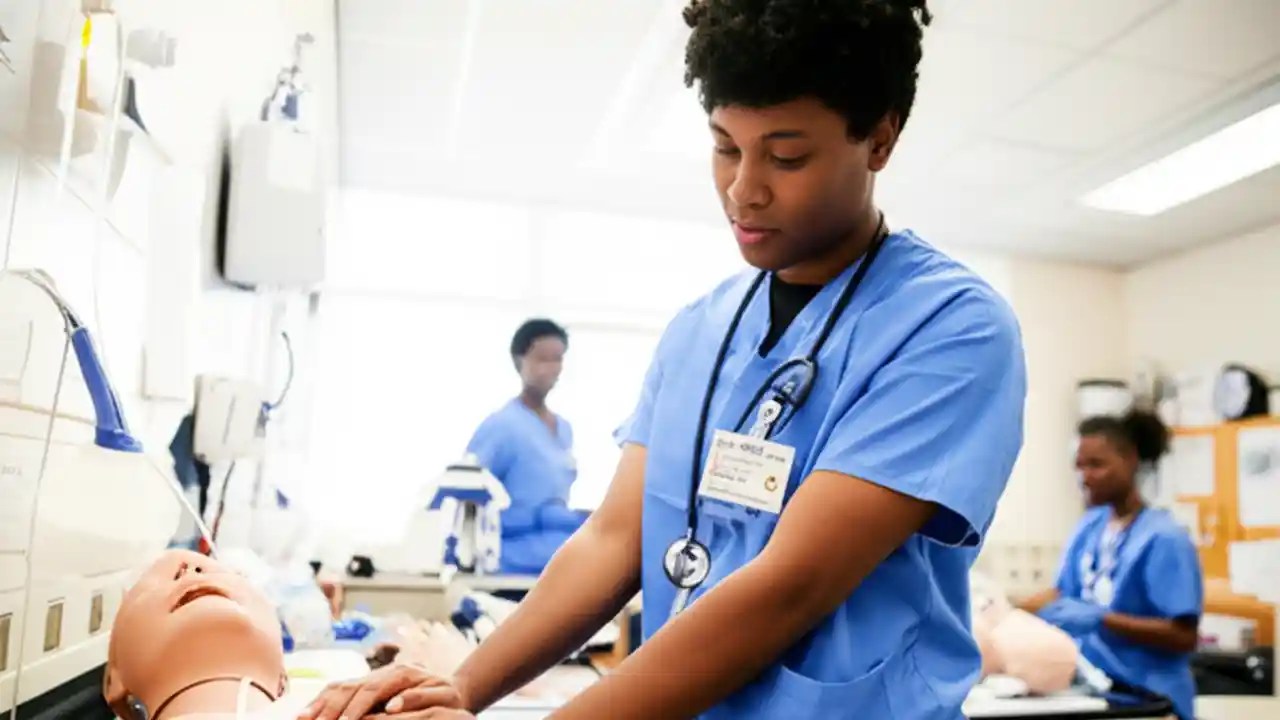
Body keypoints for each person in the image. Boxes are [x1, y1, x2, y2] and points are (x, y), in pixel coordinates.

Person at [302, 0, 1026, 717]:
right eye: (724, 147)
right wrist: (463, 687)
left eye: (787, 155)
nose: (744, 189)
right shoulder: (701, 329)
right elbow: (614, 540)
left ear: (879, 141)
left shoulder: (951, 329)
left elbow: (791, 586)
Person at [1024, 410, 1203, 720]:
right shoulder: (1089, 527)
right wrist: (1003, 612)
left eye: (1097, 464)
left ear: (1130, 460)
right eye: (1079, 466)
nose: (1085, 476)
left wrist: (1103, 620)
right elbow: (1061, 595)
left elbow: (1183, 635)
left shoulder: (1164, 538)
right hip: (1101, 695)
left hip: (1153, 699)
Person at [466, 318, 587, 576]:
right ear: (519, 361)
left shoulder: (563, 429)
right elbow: (468, 499)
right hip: (510, 564)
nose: (552, 368)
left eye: (558, 359)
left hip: (553, 563)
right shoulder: (503, 425)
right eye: (542, 359)